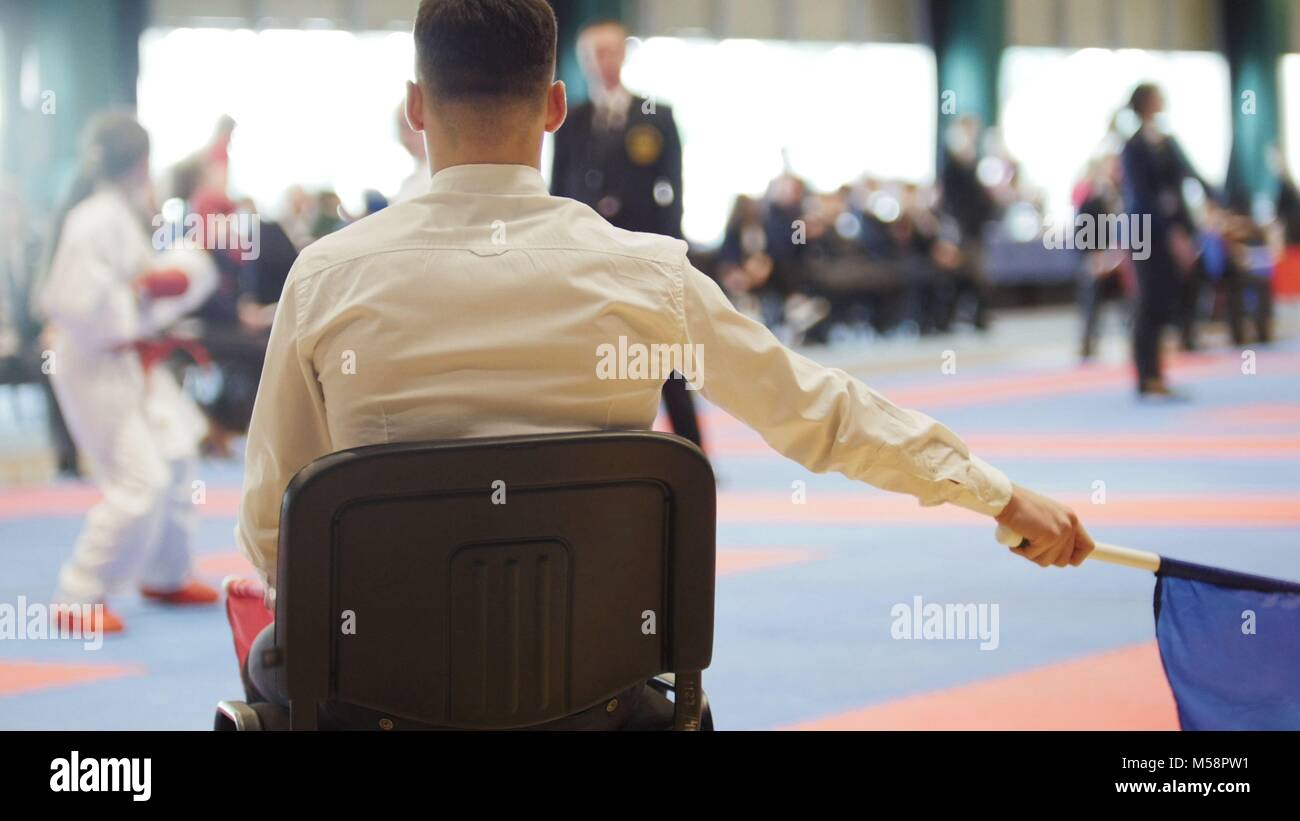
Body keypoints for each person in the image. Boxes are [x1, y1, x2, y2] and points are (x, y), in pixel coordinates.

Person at [234, 0, 1094, 727]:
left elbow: (277, 528)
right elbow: (819, 413)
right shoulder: (646, 276)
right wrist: (997, 491)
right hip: (595, 696)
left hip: (379, 695)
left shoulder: (326, 278)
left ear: (416, 107)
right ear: (557, 107)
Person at [40, 111, 221, 633]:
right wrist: (145, 289)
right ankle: (78, 594)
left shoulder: (120, 211)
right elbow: (77, 304)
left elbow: (141, 292)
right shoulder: (94, 218)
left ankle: (165, 574)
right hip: (96, 359)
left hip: (131, 355)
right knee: (140, 478)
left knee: (179, 453)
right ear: (142, 162)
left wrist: (172, 281)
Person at [549, 19, 702, 450]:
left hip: (644, 252)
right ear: (584, 60)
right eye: (596, 53)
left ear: (624, 54)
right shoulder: (571, 120)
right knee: (592, 353)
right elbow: (557, 188)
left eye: (612, 51)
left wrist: (670, 249)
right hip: (587, 254)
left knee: (663, 352)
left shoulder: (655, 113)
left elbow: (674, 188)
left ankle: (693, 449)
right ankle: (599, 451)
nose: (605, 61)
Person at [1120, 83, 1210, 397]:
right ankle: (1146, 376)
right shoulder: (1132, 147)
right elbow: (1143, 196)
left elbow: (1190, 176)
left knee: (1165, 298)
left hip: (1171, 228)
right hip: (1146, 232)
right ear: (1146, 103)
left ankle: (1158, 370)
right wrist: (1170, 230)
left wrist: (1215, 203)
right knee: (1148, 300)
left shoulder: (1167, 142)